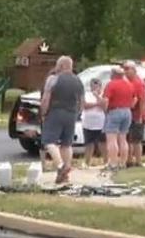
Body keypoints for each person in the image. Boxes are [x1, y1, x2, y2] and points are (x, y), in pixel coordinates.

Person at [40, 56, 83, 184]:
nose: (56, 67)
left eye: (58, 65)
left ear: (62, 66)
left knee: (49, 141)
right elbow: (82, 102)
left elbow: (46, 98)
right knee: (67, 144)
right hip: (71, 114)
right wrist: (77, 114)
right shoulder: (78, 81)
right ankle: (66, 170)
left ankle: (60, 166)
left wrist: (43, 112)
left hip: (56, 112)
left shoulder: (53, 79)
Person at [102, 64, 138, 171]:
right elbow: (135, 98)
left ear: (113, 74)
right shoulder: (129, 84)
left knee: (112, 139)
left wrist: (105, 110)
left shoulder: (111, 84)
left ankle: (113, 163)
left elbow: (105, 100)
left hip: (114, 110)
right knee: (123, 138)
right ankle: (123, 162)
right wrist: (130, 106)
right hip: (127, 111)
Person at [122, 61, 145, 168]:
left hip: (138, 115)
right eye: (124, 69)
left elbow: (143, 101)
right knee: (129, 139)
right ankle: (129, 160)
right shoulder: (127, 81)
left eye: (128, 69)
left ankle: (138, 161)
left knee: (136, 140)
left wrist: (140, 117)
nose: (126, 71)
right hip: (129, 115)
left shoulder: (138, 83)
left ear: (134, 70)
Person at [81, 77, 107, 168]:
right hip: (88, 123)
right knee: (89, 143)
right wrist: (96, 104)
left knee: (102, 143)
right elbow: (84, 105)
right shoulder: (86, 94)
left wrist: (97, 96)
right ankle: (87, 162)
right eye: (93, 85)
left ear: (100, 86)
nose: (95, 87)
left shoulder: (103, 94)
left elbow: (104, 107)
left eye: (97, 85)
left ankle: (106, 162)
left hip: (100, 123)